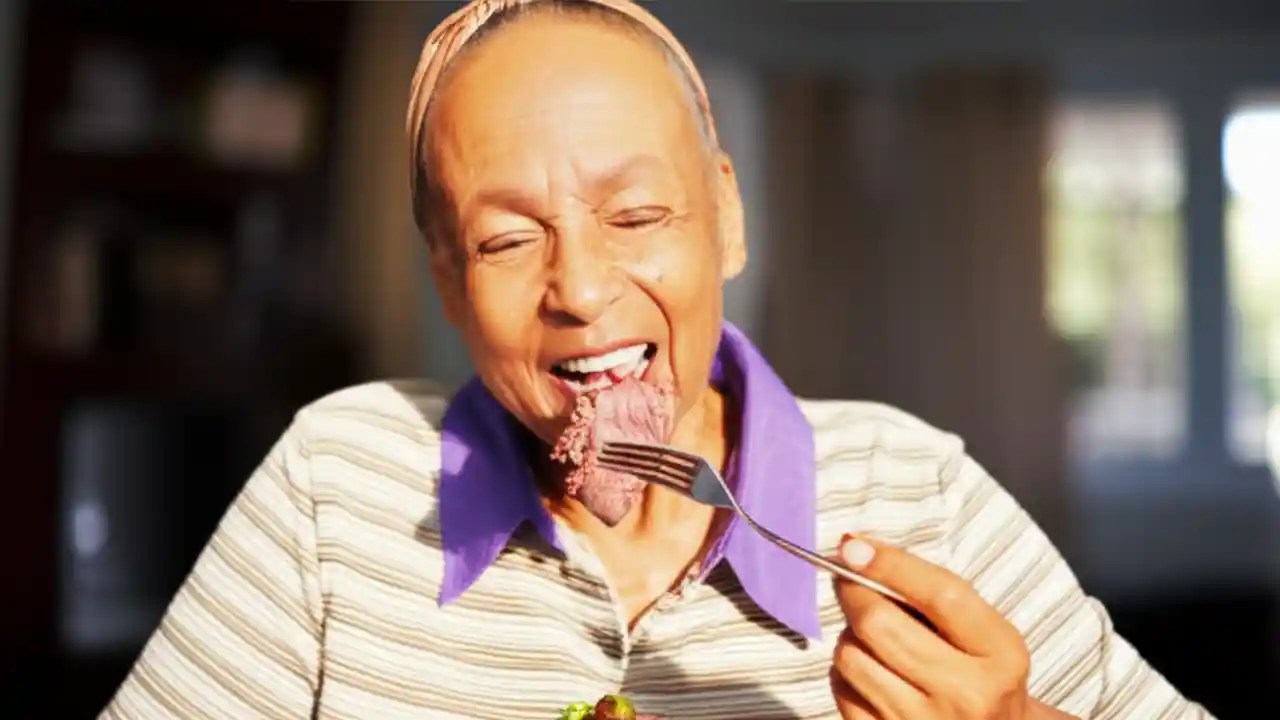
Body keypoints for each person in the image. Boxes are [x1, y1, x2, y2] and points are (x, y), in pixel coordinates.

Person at [101, 1, 1213, 718]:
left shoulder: (920, 492)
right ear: (445, 281)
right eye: (502, 239)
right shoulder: (333, 483)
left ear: (725, 217)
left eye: (634, 215)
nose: (580, 291)